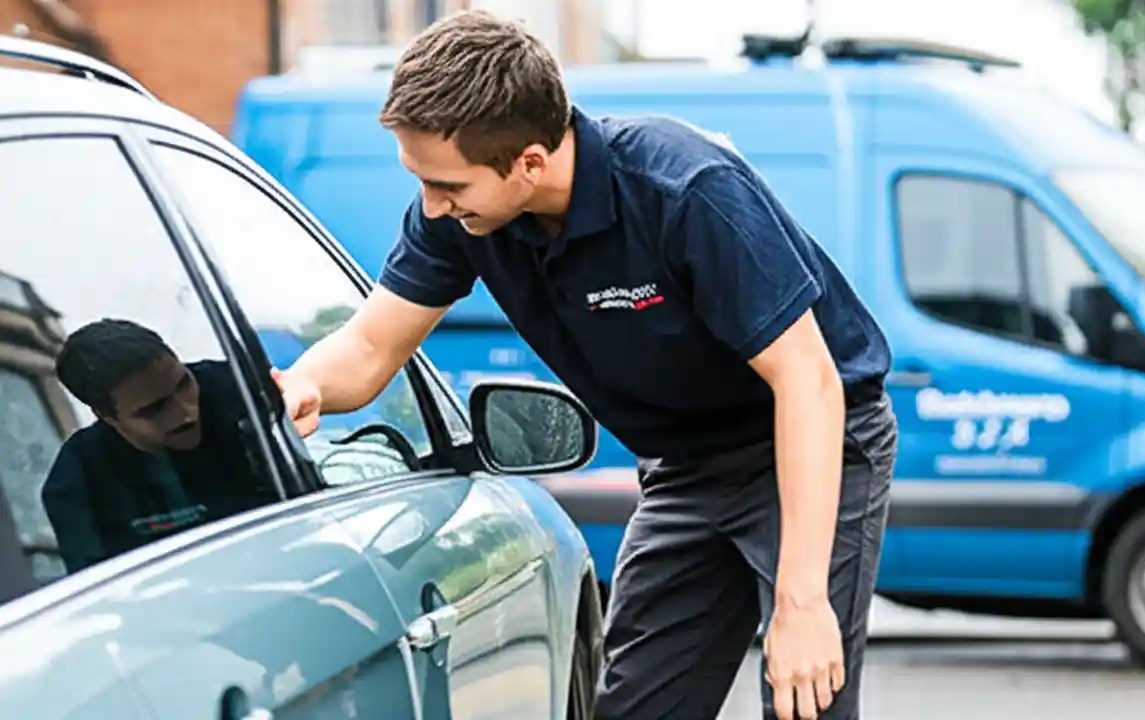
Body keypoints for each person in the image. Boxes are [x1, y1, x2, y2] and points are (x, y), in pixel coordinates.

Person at [272, 10, 897, 719]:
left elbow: (808, 381)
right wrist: (302, 386)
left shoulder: (683, 189)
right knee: (634, 707)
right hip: (686, 467)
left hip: (807, 442)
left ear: (529, 162)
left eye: (448, 186)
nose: (432, 206)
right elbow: (367, 347)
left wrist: (802, 601)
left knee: (803, 695)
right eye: (420, 180)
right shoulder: (464, 217)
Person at [41, 319, 274, 573]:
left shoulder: (246, 391)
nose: (186, 413)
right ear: (107, 417)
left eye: (184, 384)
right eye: (155, 409)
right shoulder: (78, 484)